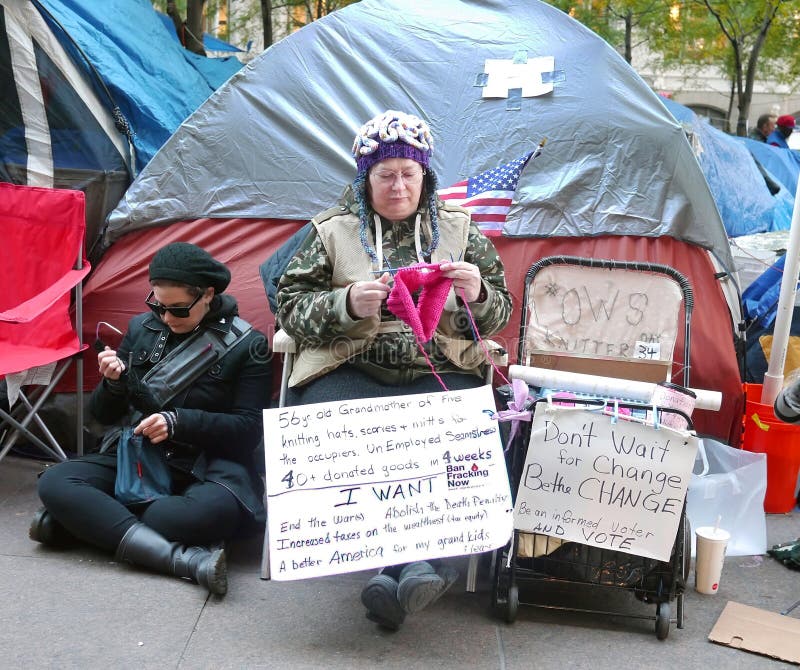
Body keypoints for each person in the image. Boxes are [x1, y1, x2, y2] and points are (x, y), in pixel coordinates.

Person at [276, 110, 512, 630]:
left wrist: (477, 293)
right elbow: (288, 306)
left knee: (461, 437)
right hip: (351, 364)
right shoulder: (333, 231)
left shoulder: (460, 232)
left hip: (440, 367)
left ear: (425, 175)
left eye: (409, 172)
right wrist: (345, 304)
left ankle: (396, 573)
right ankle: (418, 567)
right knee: (352, 430)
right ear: (366, 177)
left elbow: (499, 316)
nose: (398, 185)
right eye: (385, 175)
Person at [30, 242, 271, 596]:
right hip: (138, 456)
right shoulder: (142, 328)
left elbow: (248, 431)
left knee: (175, 517)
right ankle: (181, 560)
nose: (167, 319)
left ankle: (84, 523)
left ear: (208, 294)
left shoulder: (249, 347)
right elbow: (101, 416)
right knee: (55, 482)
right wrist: (112, 384)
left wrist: (178, 421)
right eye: (158, 306)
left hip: (210, 464)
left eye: (178, 310)